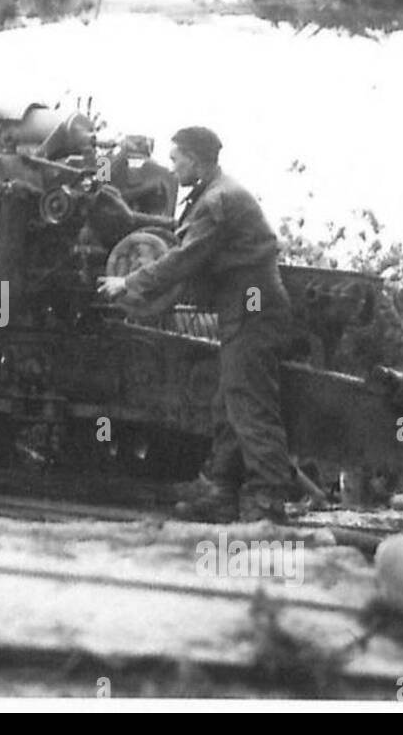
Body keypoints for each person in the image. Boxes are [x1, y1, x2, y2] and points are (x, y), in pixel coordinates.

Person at [97, 126, 295, 523]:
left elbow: (183, 258)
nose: (171, 167)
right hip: (244, 304)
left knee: (250, 403)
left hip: (252, 304)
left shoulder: (217, 200)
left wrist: (129, 282)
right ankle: (219, 489)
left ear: (195, 158)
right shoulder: (213, 194)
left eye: (176, 159)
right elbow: (181, 240)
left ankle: (268, 500)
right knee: (228, 400)